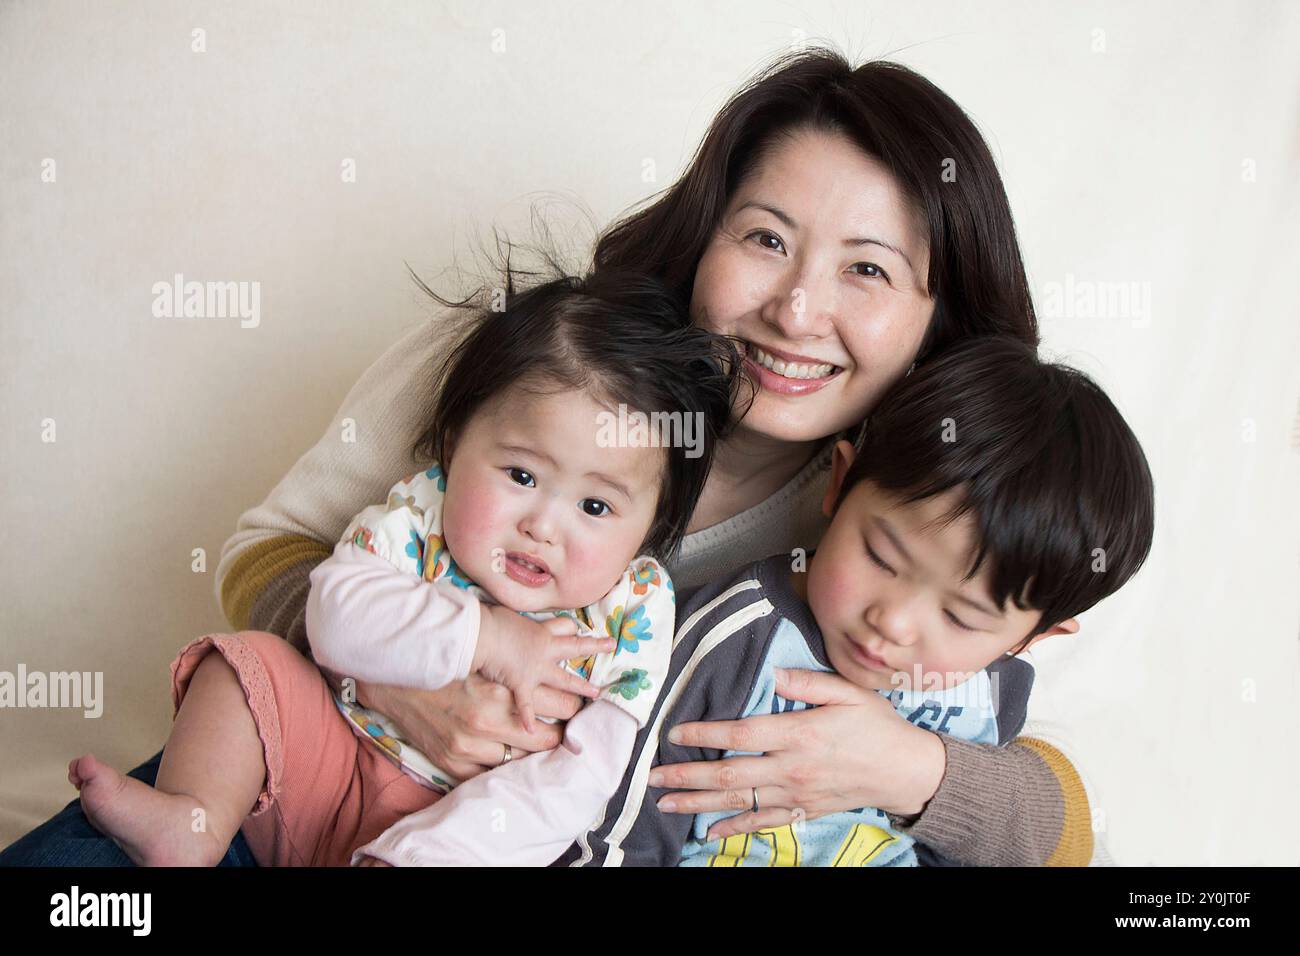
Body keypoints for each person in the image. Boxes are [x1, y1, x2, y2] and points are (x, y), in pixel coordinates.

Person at [2, 47, 1104, 867]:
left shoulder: (904, 515)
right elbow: (267, 548)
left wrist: (910, 773)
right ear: (704, 229)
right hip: (312, 756)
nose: (798, 308)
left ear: (936, 314)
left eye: (867, 272)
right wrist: (390, 664)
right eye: (765, 238)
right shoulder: (533, 355)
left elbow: (1060, 815)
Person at [64, 272, 744, 867]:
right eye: (520, 474)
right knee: (248, 666)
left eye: (595, 505)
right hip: (321, 758)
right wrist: (484, 637)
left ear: (650, 529)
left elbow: (583, 777)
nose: (542, 525)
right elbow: (333, 617)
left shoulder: (633, 608)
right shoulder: (422, 513)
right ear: (454, 444)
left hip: (459, 831)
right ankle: (193, 821)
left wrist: (426, 852)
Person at [563, 336, 1154, 865]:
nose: (891, 622)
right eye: (882, 558)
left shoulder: (989, 695)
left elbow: (1035, 846)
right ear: (840, 485)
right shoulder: (732, 638)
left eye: (960, 616)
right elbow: (611, 830)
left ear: (1032, 639)